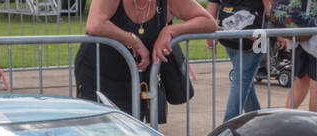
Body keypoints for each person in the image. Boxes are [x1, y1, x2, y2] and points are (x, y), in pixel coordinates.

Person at [74, 0, 216, 122]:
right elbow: (95, 24)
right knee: (101, 132)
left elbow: (209, 22)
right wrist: (133, 40)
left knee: (133, 131)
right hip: (98, 74)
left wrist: (170, 31)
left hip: (137, 79)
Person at [206, 0, 272, 122]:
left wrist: (210, 33)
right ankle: (227, 130)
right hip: (254, 38)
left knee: (244, 81)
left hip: (228, 35)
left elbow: (212, 4)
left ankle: (257, 123)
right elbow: (269, 7)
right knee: (242, 81)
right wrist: (279, 31)